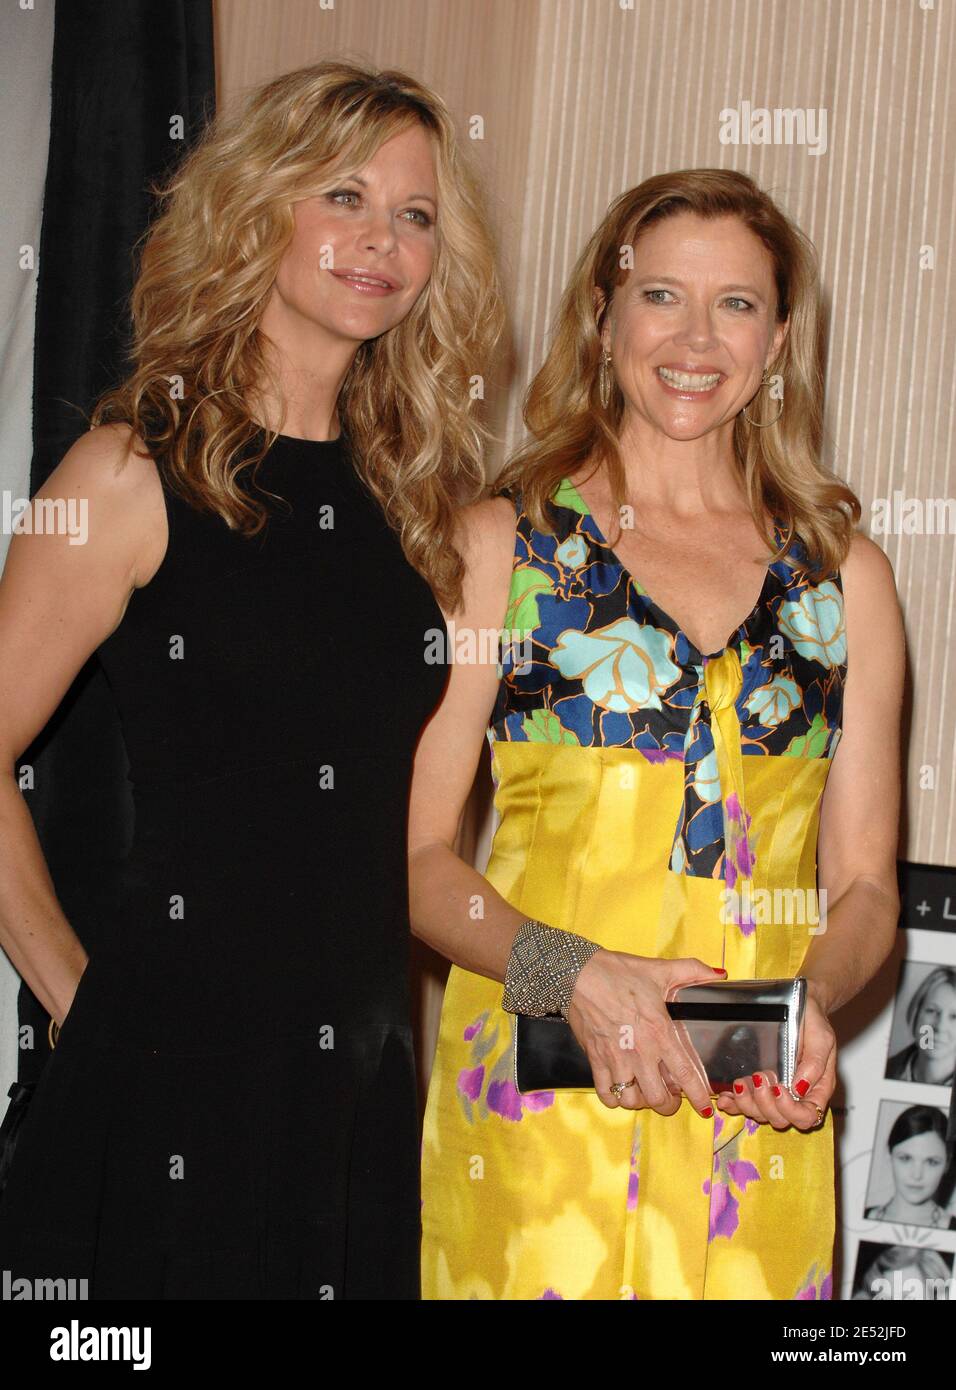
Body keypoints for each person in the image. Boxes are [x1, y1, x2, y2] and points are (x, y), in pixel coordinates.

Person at [0, 59, 504, 1299]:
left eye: (416, 214)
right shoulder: (125, 473)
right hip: (164, 1076)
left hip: (355, 1087)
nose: (382, 240)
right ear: (256, 208)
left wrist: (576, 978)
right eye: (344, 196)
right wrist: (76, 995)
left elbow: (424, 865)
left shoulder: (429, 519)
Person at [409, 168, 905, 1300]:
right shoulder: (500, 547)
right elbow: (415, 862)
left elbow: (865, 885)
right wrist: (570, 972)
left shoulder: (844, 580)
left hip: (753, 1109)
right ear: (602, 314)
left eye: (735, 303)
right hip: (533, 1103)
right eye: (659, 296)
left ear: (777, 338)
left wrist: (807, 1007)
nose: (694, 338)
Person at [865, 1106, 956, 1230]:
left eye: (931, 1162)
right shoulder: (858, 1218)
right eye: (906, 1158)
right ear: (889, 1155)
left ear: (947, 1163)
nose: (917, 1175)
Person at [886, 967, 956, 1085]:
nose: (940, 1027)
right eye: (932, 1011)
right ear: (915, 1013)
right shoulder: (886, 1070)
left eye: (954, 1016)